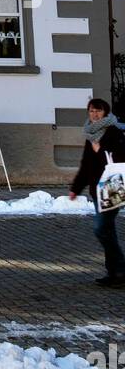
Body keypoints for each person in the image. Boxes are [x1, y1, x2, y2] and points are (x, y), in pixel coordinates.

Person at [69, 97, 125, 286]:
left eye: (98, 111)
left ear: (105, 113)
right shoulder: (91, 134)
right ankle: (115, 273)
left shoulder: (113, 132)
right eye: (91, 111)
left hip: (112, 188)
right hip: (97, 191)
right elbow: (86, 166)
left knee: (101, 228)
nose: (94, 114)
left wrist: (99, 149)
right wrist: (76, 188)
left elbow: (119, 157)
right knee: (107, 230)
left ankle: (120, 270)